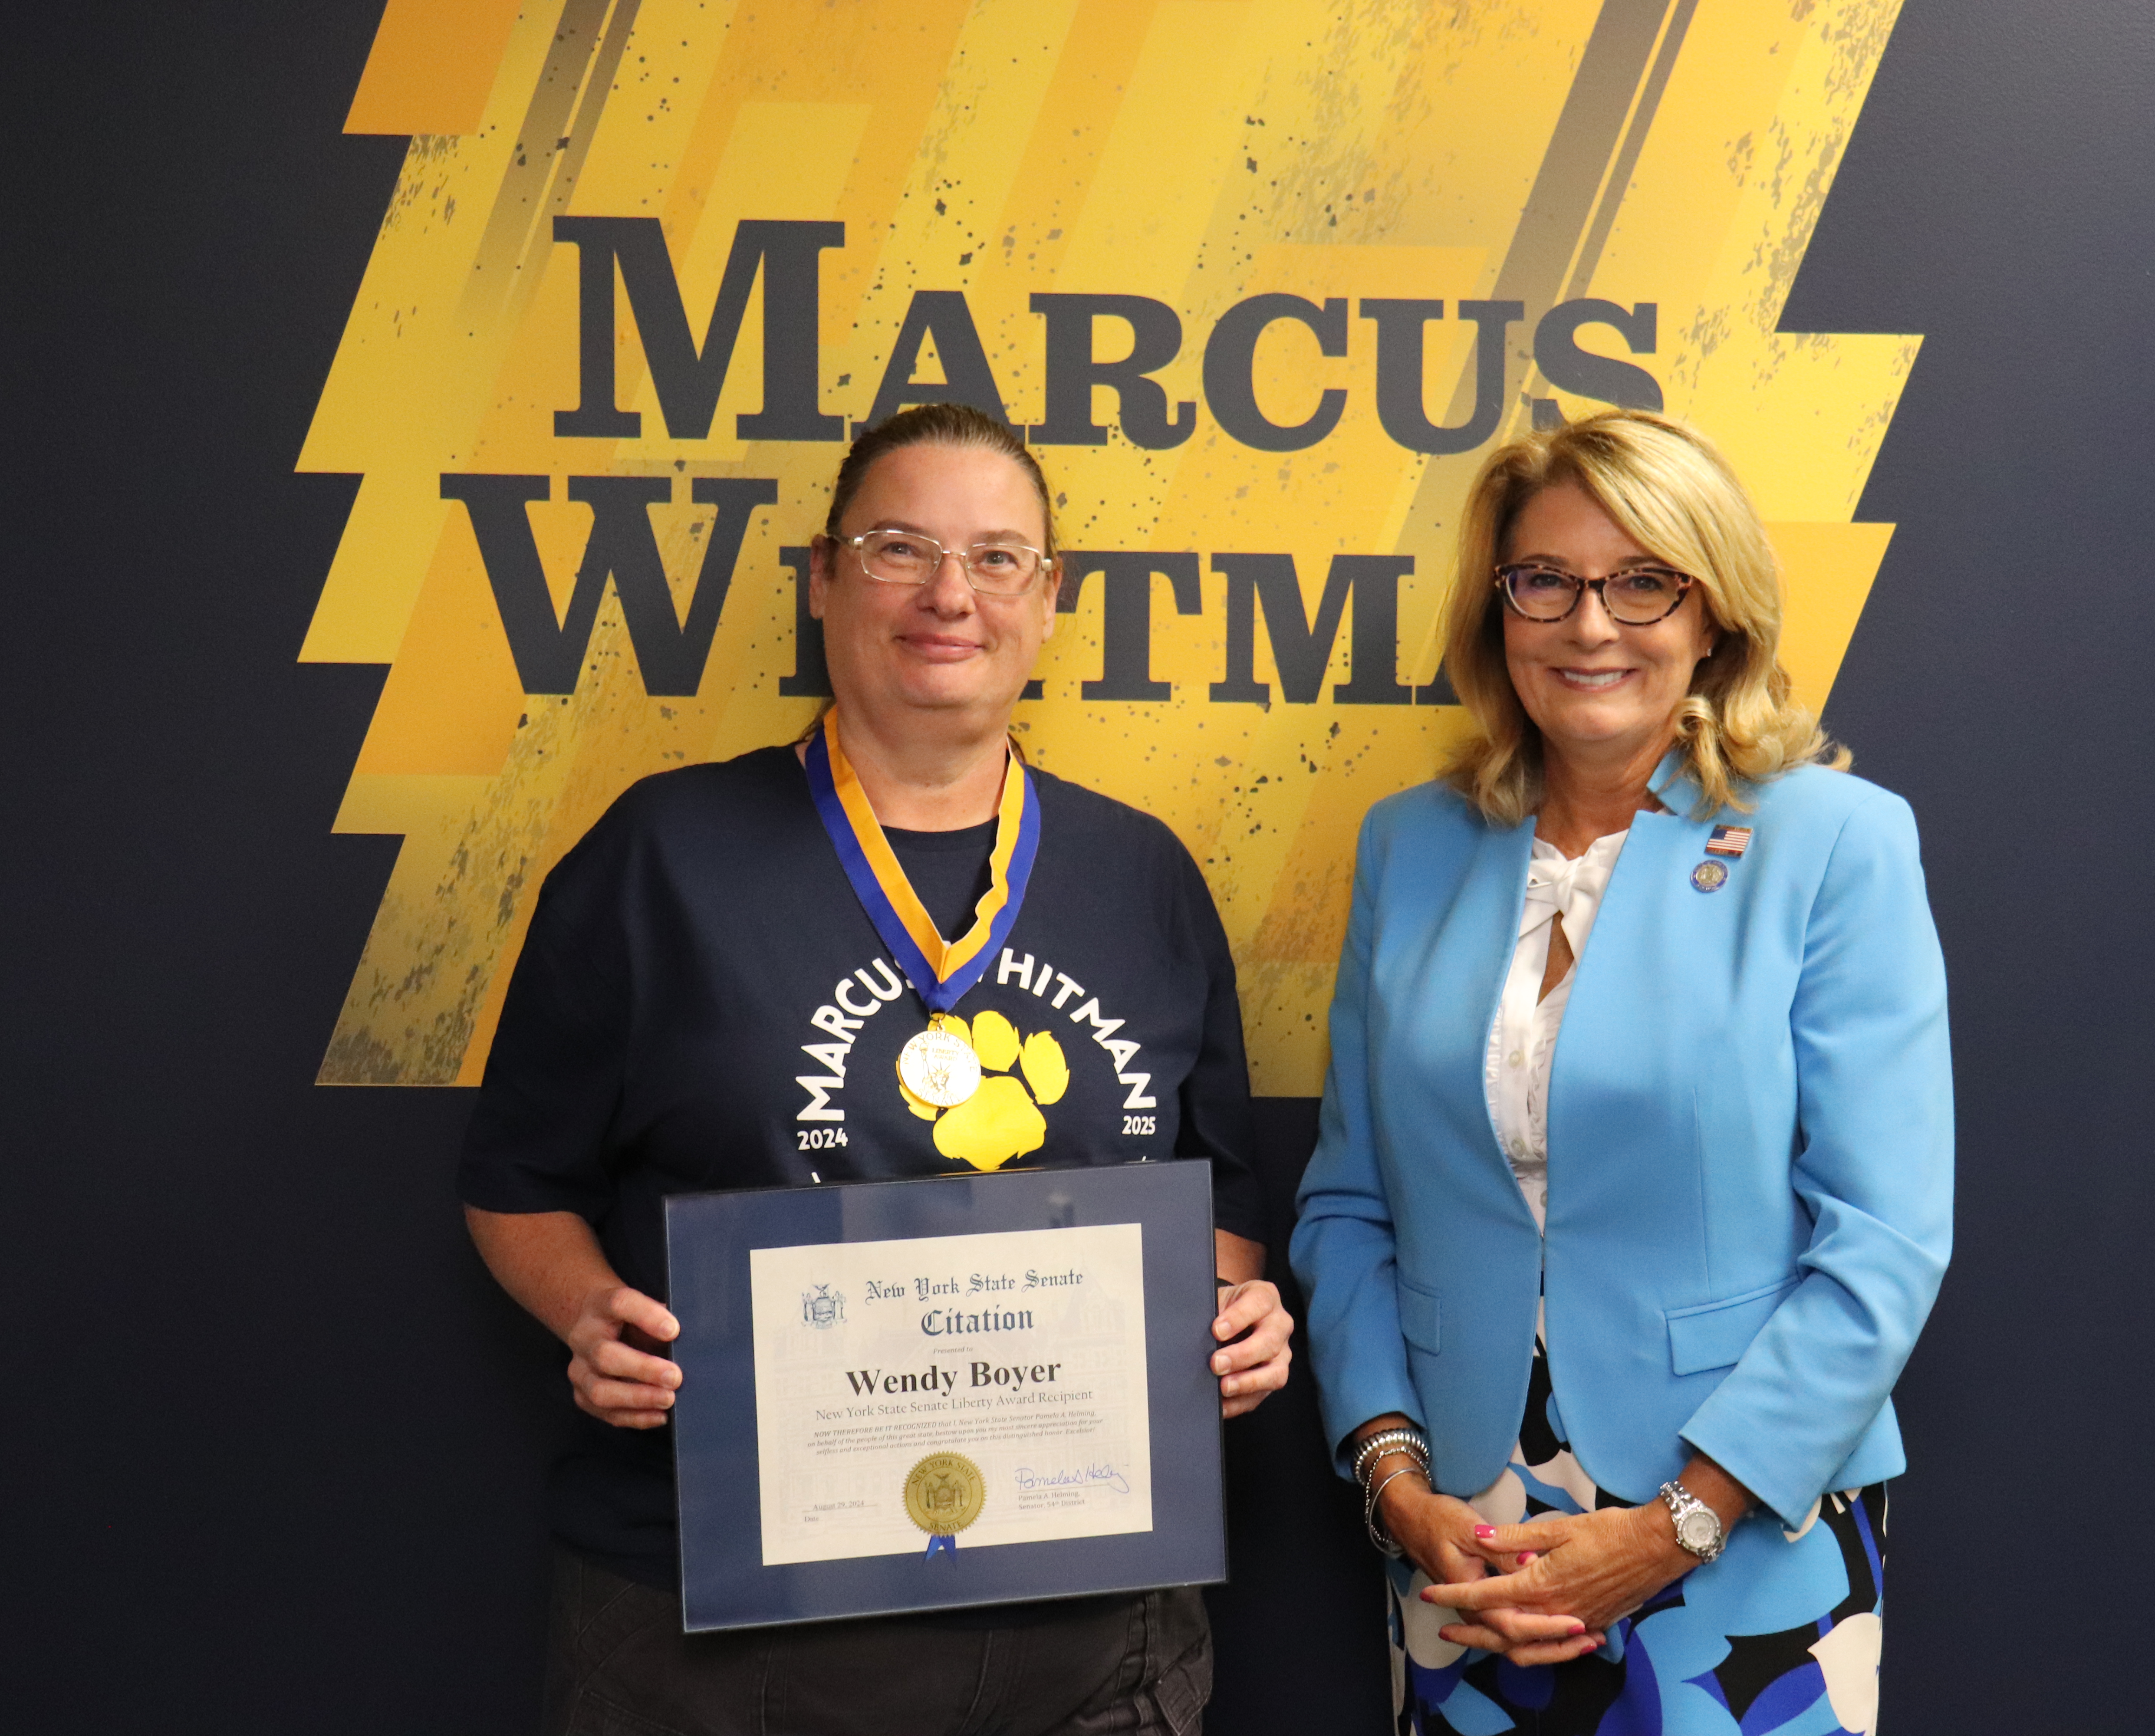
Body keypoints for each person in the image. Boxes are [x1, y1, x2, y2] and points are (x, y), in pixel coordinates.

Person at [460, 402, 1293, 1736]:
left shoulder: (1142, 877)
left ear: (1051, 596)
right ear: (822, 578)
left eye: (998, 557)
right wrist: (588, 1317)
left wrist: (1233, 1318)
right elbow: (515, 1183)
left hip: (1083, 1622)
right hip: (716, 1613)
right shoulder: (661, 857)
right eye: (899, 547)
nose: (950, 594)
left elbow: (1220, 1202)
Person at [1291, 410, 1951, 1736]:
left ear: (1714, 615)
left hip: (1745, 1514)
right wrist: (1396, 1480)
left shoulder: (1836, 842)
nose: (1592, 624)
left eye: (1645, 580)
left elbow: (1885, 1240)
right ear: (1498, 611)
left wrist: (1678, 1523)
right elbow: (1348, 1206)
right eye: (1546, 580)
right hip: (1465, 1541)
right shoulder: (1410, 847)